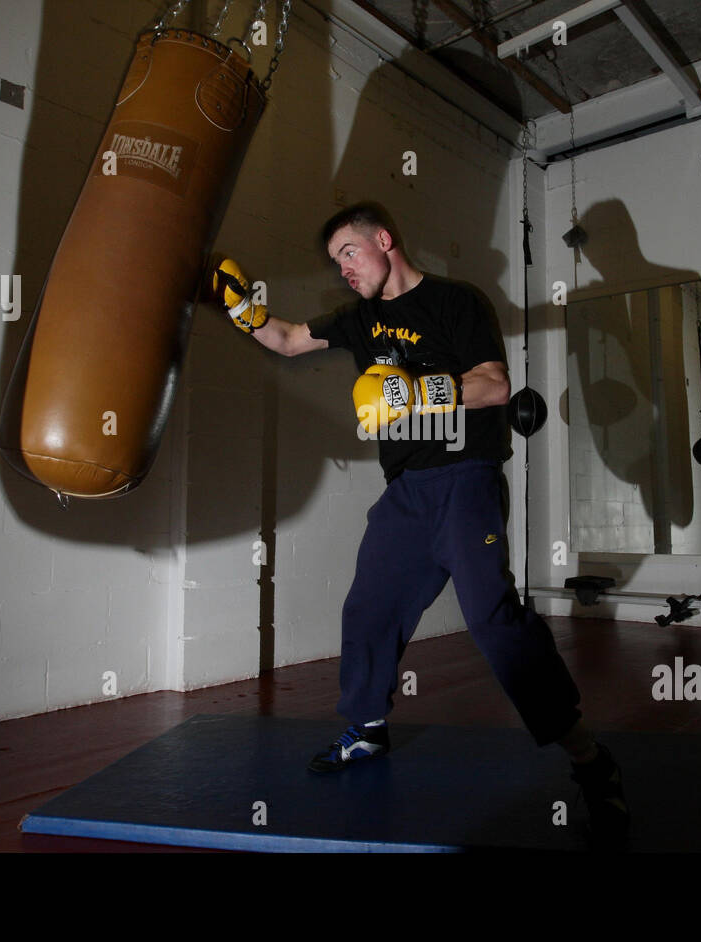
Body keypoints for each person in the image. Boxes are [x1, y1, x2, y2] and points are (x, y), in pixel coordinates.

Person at [208, 202, 629, 849]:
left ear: (384, 239)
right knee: (369, 608)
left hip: (466, 481)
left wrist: (409, 393)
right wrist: (240, 308)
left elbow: (492, 385)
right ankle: (367, 729)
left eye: (349, 252)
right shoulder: (361, 318)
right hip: (406, 492)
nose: (344, 270)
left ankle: (589, 759)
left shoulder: (457, 303)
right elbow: (289, 340)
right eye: (335, 262)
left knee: (492, 620)